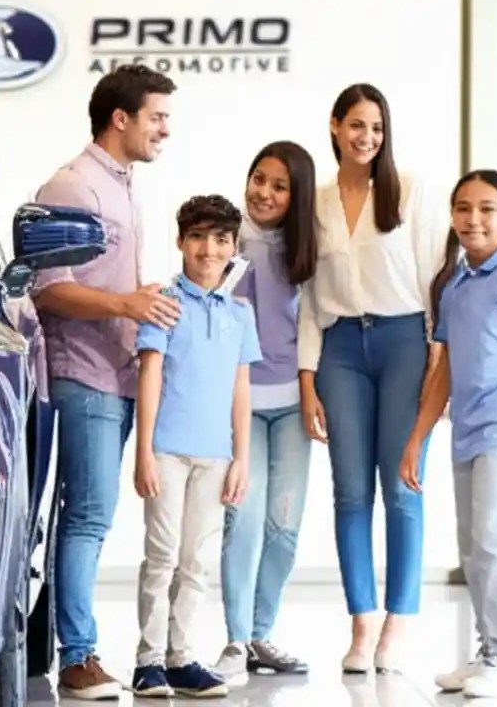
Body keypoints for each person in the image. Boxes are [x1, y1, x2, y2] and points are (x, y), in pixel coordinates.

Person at [29, 63, 179, 701]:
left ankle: (74, 647)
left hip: (117, 375)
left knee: (92, 515)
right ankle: (77, 656)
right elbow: (49, 289)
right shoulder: (73, 185)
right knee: (85, 517)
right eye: (157, 117)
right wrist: (125, 307)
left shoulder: (121, 185)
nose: (165, 130)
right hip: (84, 376)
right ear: (121, 118)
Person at [296, 83, 450, 672]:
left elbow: (436, 274)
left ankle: (398, 624)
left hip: (405, 340)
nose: (367, 137)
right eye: (357, 125)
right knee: (350, 491)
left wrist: (437, 352)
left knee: (403, 485)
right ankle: (362, 624)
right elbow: (308, 298)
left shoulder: (409, 191)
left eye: (377, 128)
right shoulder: (317, 201)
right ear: (335, 126)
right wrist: (308, 378)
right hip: (339, 348)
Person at [399, 169, 497, 699]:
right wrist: (417, 436)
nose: (474, 219)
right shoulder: (455, 285)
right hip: (466, 431)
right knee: (473, 548)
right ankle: (491, 650)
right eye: (463, 208)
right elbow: (443, 369)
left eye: (487, 209)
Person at [130, 194, 261, 699]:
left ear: (233, 248)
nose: (210, 249)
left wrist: (241, 459)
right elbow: (151, 375)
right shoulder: (164, 302)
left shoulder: (238, 313)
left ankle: (181, 656)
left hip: (216, 456)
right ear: (181, 241)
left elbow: (240, 388)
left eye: (222, 240)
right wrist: (144, 450)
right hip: (167, 451)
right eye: (199, 237)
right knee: (161, 555)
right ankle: (148, 661)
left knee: (196, 561)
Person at [214, 141, 320, 685]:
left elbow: (316, 327)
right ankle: (234, 639)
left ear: (296, 196)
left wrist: (312, 393)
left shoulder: (309, 251)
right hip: (242, 408)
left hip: (293, 407)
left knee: (284, 525)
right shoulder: (228, 242)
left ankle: (260, 633)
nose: (264, 192)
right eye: (259, 179)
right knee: (244, 517)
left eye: (279, 186)